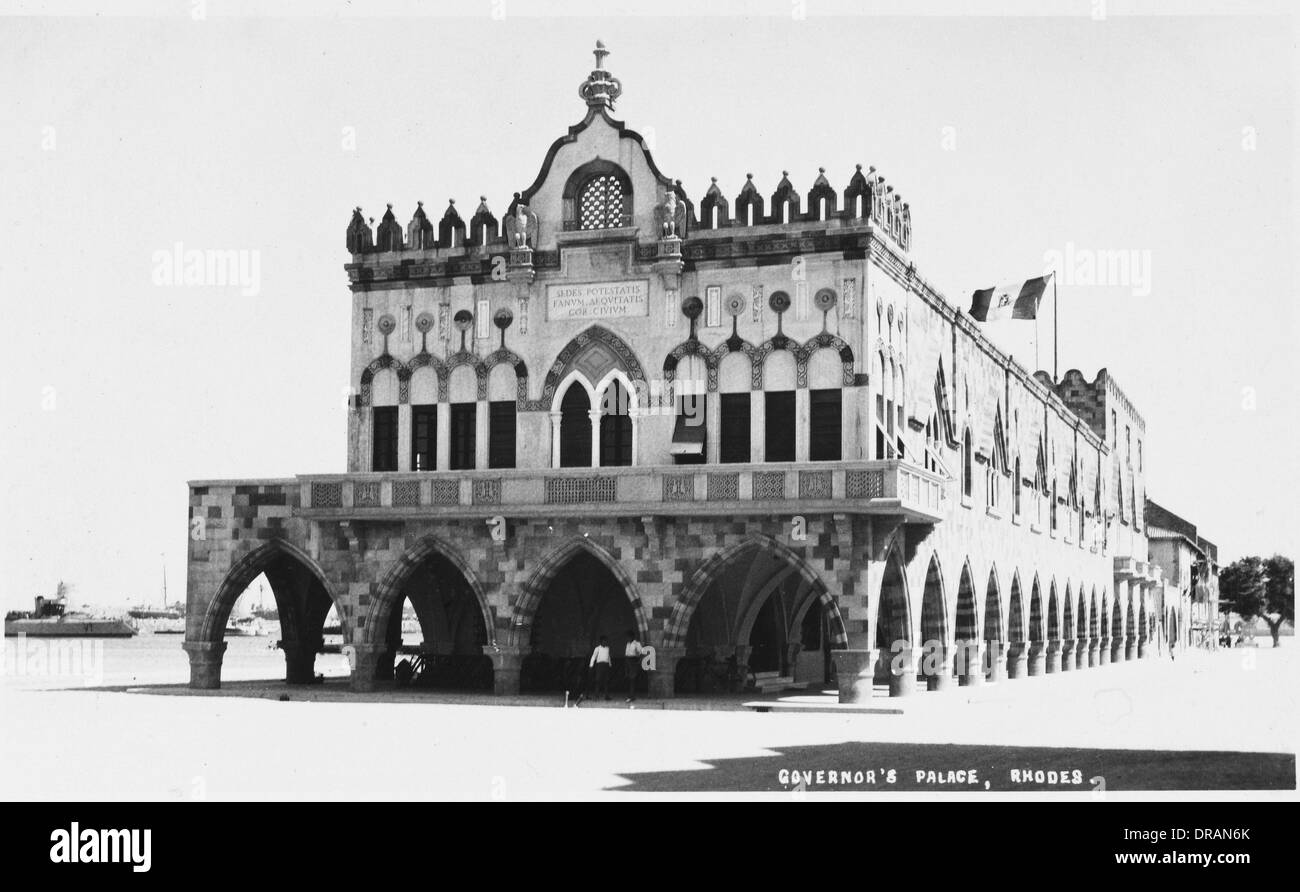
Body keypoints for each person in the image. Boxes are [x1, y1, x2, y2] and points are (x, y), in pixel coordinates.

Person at [578, 636, 611, 703]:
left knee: (606, 681)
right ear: (601, 641)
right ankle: (596, 695)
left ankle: (606, 696)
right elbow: (593, 657)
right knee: (598, 681)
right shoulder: (597, 648)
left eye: (606, 641)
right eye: (604, 641)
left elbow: (608, 656)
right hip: (599, 665)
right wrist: (591, 665)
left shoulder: (607, 648)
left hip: (606, 665)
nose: (605, 642)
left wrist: (610, 664)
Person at [624, 631, 644, 702]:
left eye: (628, 637)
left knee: (632, 679)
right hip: (628, 661)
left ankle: (632, 696)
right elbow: (626, 654)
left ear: (632, 637)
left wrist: (639, 662)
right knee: (628, 679)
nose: (627, 638)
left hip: (634, 661)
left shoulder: (637, 644)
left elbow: (641, 653)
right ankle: (629, 695)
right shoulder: (628, 644)